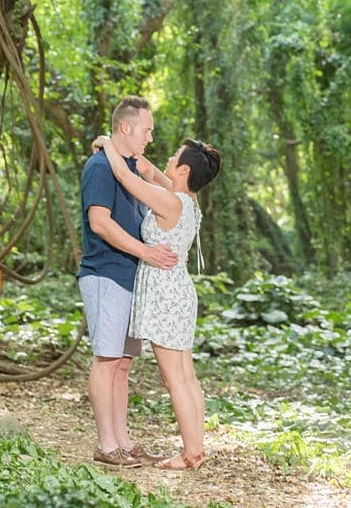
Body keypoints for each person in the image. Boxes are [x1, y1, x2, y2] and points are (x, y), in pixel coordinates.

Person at [92, 132, 222, 471]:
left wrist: (107, 143)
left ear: (182, 170)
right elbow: (147, 170)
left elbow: (125, 177)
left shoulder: (169, 202)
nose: (167, 159)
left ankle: (190, 453)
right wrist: (134, 152)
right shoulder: (186, 199)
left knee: (174, 379)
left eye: (173, 157)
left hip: (166, 295)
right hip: (179, 292)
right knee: (186, 376)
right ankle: (196, 450)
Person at [77, 96, 178, 468]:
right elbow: (100, 222)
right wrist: (146, 252)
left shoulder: (129, 165)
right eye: (146, 130)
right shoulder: (100, 168)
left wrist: (107, 140)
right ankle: (106, 445)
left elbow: (167, 182)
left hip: (129, 276)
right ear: (126, 128)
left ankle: (123, 441)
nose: (150, 137)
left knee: (122, 363)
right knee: (106, 361)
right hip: (105, 273)